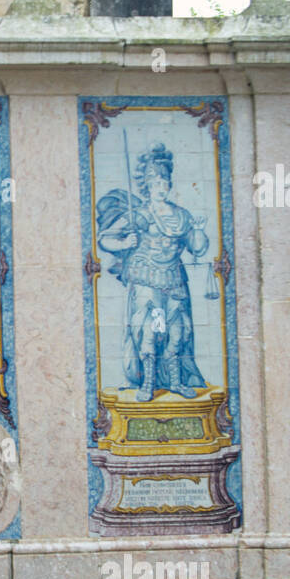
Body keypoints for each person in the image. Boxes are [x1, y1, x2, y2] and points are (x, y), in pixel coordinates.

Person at [96, 142, 207, 402]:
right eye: (155, 183)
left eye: (165, 182)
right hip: (146, 277)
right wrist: (125, 244)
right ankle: (147, 383)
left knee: (177, 331)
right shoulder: (142, 214)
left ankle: (177, 382)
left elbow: (198, 248)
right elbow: (105, 239)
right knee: (150, 330)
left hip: (175, 279)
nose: (161, 188)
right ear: (147, 185)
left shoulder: (181, 215)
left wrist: (199, 230)